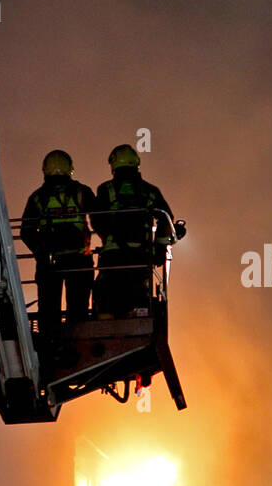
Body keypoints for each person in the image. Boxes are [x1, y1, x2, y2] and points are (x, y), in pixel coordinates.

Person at [92, 145, 181, 317]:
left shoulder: (105, 190)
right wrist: (159, 249)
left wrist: (109, 237)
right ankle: (137, 315)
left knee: (107, 297)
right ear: (136, 163)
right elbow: (166, 219)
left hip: (112, 257)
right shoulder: (150, 191)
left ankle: (106, 320)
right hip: (140, 256)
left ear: (113, 165)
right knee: (138, 298)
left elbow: (96, 220)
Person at [20, 149, 97, 340]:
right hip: (79, 259)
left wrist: (40, 252)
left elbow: (26, 231)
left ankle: (50, 341)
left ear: (44, 170)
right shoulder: (82, 192)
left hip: (49, 263)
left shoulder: (37, 197)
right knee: (78, 307)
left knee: (49, 309)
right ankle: (77, 340)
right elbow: (99, 220)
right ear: (70, 169)